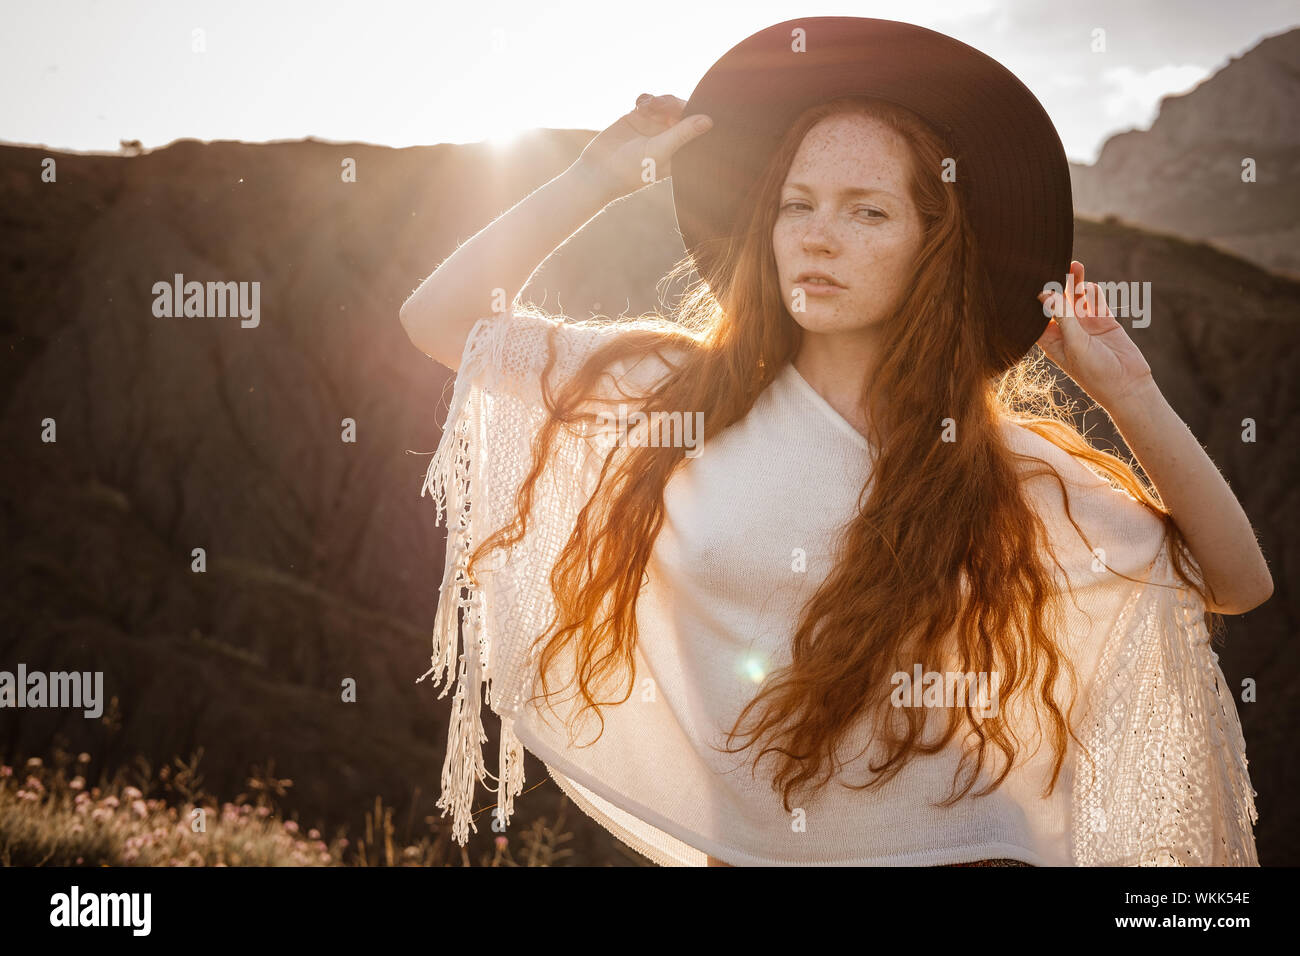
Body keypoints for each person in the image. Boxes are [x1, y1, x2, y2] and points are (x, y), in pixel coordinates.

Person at [399, 17, 1267, 867]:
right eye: (796, 205)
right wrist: (592, 177)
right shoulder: (679, 395)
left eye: (869, 212)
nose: (817, 235)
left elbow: (1235, 580)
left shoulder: (994, 466)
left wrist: (1130, 392)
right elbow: (438, 319)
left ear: (934, 244)